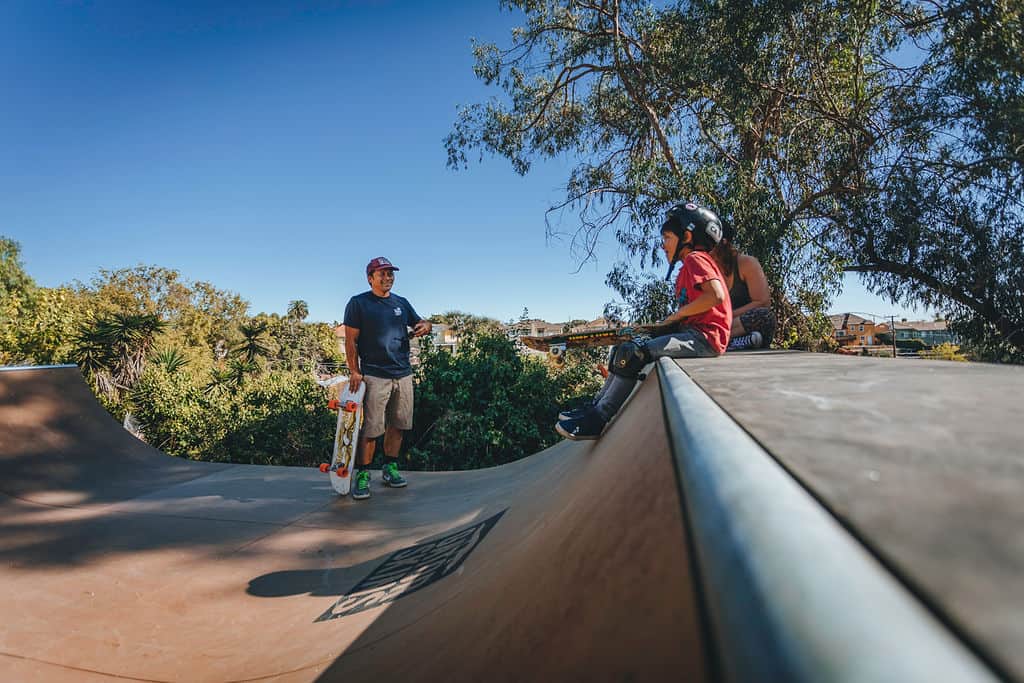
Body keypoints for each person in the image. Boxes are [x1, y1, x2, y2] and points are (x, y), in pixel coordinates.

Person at [556, 203, 732, 441]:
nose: (663, 244)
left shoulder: (695, 259)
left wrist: (676, 317)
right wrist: (661, 326)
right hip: (694, 333)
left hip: (705, 339)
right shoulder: (687, 268)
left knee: (634, 353)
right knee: (625, 346)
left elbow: (716, 296)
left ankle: (598, 418)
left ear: (687, 236)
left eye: (667, 237)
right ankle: (595, 406)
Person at [343, 257, 432, 500]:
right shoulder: (358, 303)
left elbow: (421, 322)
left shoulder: (401, 303)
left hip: (403, 373)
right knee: (371, 428)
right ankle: (363, 474)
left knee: (399, 424)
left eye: (391, 273)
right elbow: (350, 341)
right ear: (370, 278)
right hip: (374, 374)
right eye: (382, 274)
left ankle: (390, 467)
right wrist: (354, 371)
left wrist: (427, 325)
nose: (388, 278)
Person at [713, 223, 775, 351]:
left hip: (741, 325)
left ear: (723, 242)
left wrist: (727, 315)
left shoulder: (747, 263)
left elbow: (763, 303)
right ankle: (731, 342)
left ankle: (729, 341)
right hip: (719, 326)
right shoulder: (705, 270)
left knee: (764, 316)